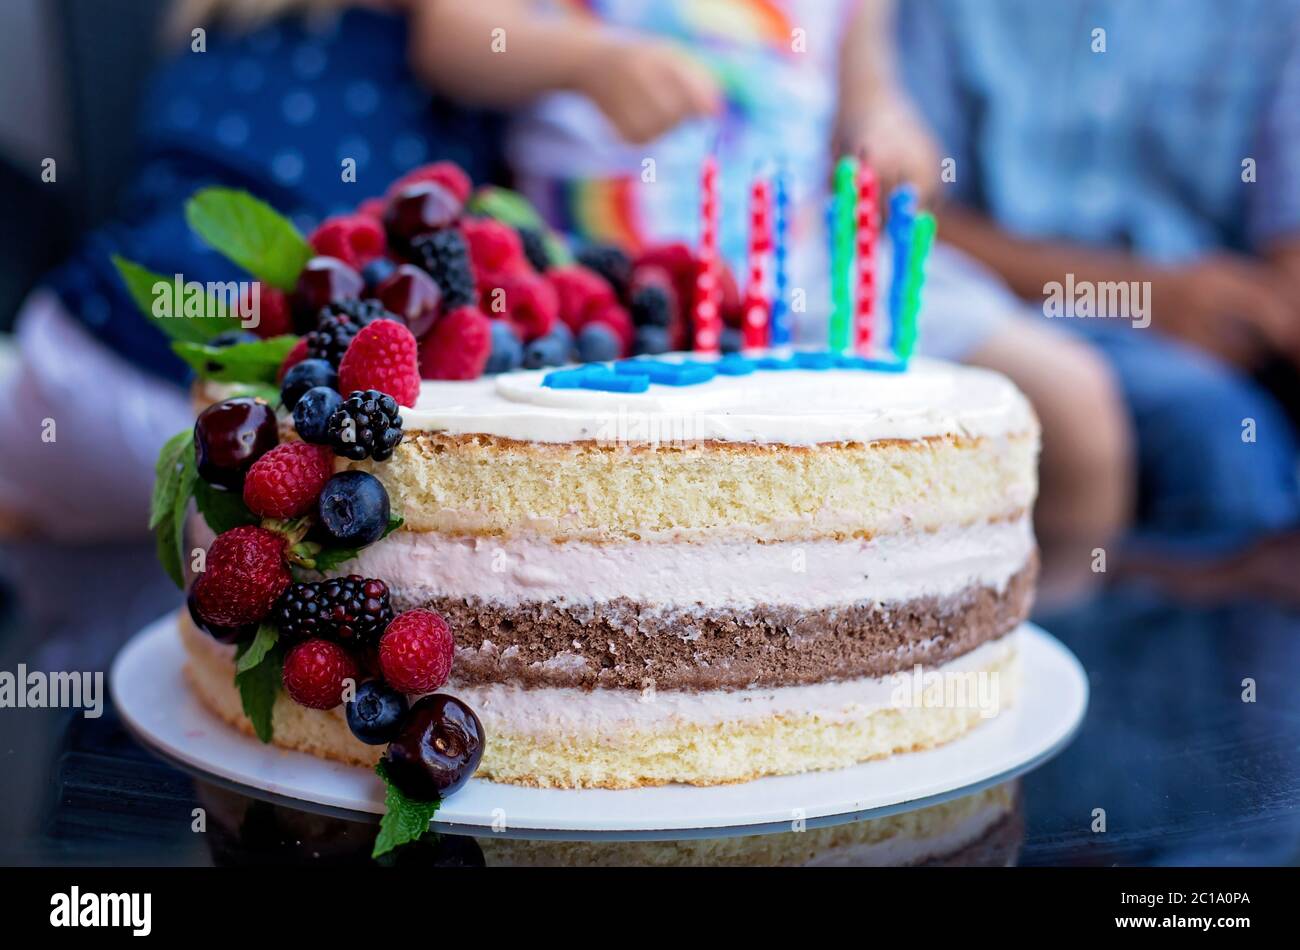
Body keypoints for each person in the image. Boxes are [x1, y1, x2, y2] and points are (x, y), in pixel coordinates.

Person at [409, 0, 1132, 604]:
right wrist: (588, 61)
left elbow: (873, 92)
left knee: (1078, 402)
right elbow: (453, 35)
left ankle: (1014, 651)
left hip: (815, 270)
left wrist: (890, 133)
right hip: (618, 288)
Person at [0, 0, 503, 539]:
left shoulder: (224, 27)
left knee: (81, 559)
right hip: (218, 411)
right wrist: (595, 64)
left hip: (71, 345)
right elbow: (467, 38)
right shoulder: (435, 42)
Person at [897, 0, 1300, 603]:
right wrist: (1141, 296)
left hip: (1217, 343)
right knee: (1213, 437)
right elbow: (909, 215)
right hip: (994, 306)